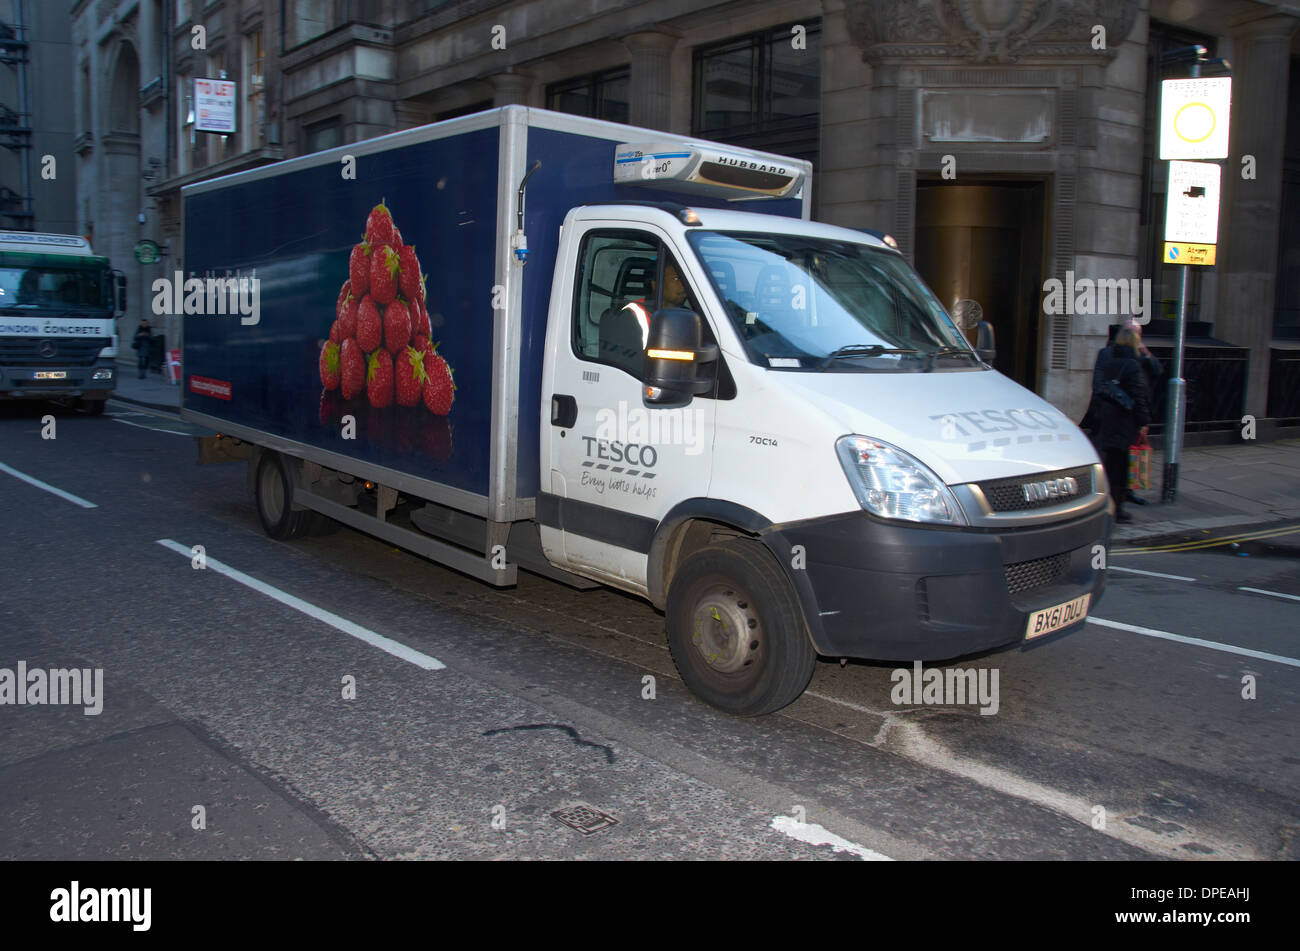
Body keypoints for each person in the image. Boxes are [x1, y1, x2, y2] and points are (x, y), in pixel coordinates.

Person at [1084, 319, 1162, 505]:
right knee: (1112, 456)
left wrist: (1147, 354)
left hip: (1131, 415)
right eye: (1133, 332)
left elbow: (1157, 371)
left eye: (1139, 333)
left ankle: (1125, 492)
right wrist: (1127, 403)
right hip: (1112, 412)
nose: (1137, 336)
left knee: (1128, 455)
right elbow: (1100, 383)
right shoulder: (1109, 353)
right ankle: (1111, 496)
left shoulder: (1138, 354)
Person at [1091, 326, 1151, 523]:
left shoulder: (1110, 363)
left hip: (1110, 420)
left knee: (1111, 464)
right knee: (1123, 467)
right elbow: (1138, 396)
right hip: (1126, 422)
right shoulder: (1132, 365)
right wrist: (1143, 421)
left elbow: (1100, 388)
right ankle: (1117, 510)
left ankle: (1106, 505)